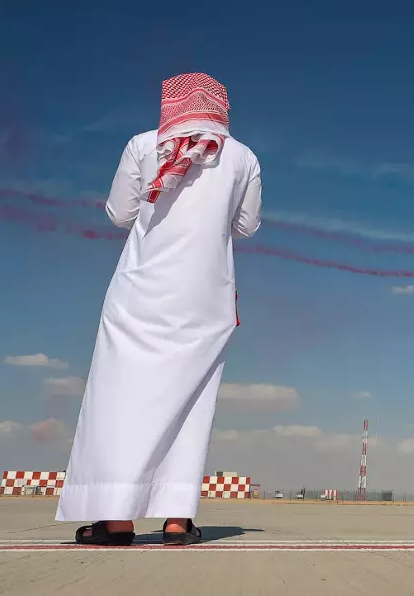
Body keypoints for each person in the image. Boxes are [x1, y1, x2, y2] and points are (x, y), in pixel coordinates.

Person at [55, 73, 262, 545]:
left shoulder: (143, 145)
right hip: (204, 295)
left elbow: (119, 214)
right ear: (220, 107)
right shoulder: (242, 156)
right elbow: (247, 226)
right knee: (191, 401)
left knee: (119, 397)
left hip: (141, 290)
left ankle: (115, 520)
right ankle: (175, 519)